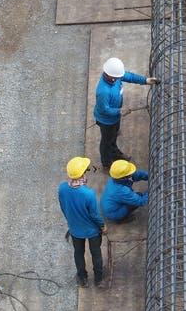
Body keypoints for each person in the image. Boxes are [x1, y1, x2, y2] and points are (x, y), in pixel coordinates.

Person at [94, 57, 159, 170]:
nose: (119, 78)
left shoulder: (115, 77)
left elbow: (129, 76)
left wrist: (145, 80)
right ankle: (107, 164)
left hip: (115, 118)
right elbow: (104, 110)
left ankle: (115, 153)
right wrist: (119, 111)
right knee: (106, 142)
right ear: (109, 75)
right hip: (106, 121)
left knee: (113, 137)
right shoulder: (103, 91)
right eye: (117, 77)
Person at [58, 156, 106, 288]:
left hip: (75, 230)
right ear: (83, 173)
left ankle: (83, 278)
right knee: (96, 253)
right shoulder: (88, 194)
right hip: (92, 231)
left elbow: (63, 207)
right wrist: (103, 226)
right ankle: (98, 279)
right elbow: (95, 215)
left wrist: (71, 221)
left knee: (78, 253)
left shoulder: (62, 189)